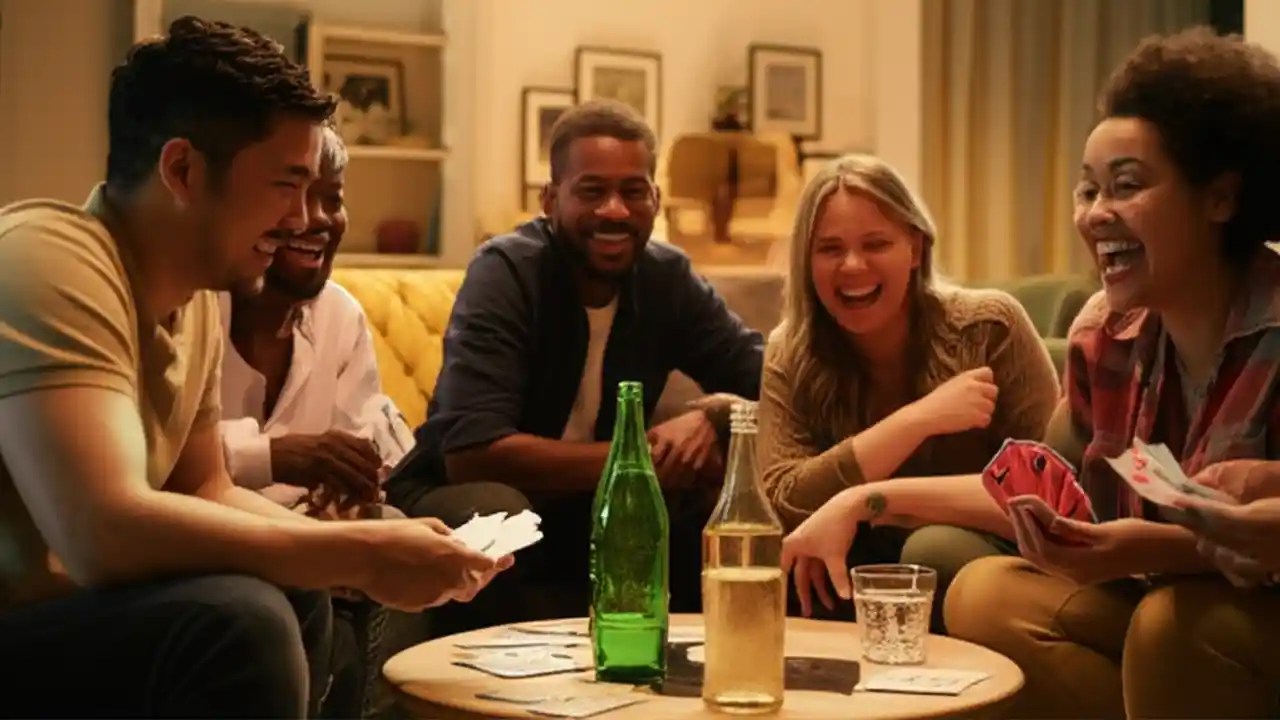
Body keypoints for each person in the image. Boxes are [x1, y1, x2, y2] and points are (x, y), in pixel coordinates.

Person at [0, 17, 508, 718]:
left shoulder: (198, 295)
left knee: (292, 586)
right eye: (286, 184)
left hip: (86, 619)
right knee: (239, 619)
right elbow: (102, 534)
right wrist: (361, 556)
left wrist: (367, 542)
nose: (303, 219)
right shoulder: (47, 258)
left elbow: (206, 488)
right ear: (182, 170)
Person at [933, 27, 1280, 718]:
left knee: (1170, 624)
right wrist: (863, 497)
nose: (1095, 216)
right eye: (1088, 190)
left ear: (1220, 198)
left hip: (1250, 617)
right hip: (1162, 600)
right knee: (985, 593)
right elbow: (1057, 489)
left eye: (1126, 186)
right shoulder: (1105, 336)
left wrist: (1138, 549)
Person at [385, 99, 765, 625]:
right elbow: (472, 453)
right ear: (550, 199)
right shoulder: (507, 271)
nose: (615, 210)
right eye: (592, 191)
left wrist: (715, 413)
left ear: (655, 200)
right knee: (501, 512)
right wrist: (639, 463)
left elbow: (770, 379)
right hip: (453, 496)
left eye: (633, 191)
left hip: (591, 509)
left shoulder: (667, 279)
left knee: (705, 512)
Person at [760, 154, 1058, 629]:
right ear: (807, 261)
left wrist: (869, 499)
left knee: (930, 549)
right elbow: (783, 499)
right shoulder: (789, 349)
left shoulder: (989, 327)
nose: (852, 266)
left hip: (987, 552)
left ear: (915, 248)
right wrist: (918, 420)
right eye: (830, 249)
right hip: (850, 558)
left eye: (876, 243)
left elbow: (1048, 494)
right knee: (795, 555)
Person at [217, 125, 413, 718]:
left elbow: (367, 436)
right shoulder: (197, 303)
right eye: (295, 196)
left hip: (311, 529)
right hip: (215, 527)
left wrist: (353, 496)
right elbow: (164, 456)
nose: (318, 219)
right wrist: (281, 456)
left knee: (397, 531)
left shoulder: (340, 315)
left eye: (334, 198)